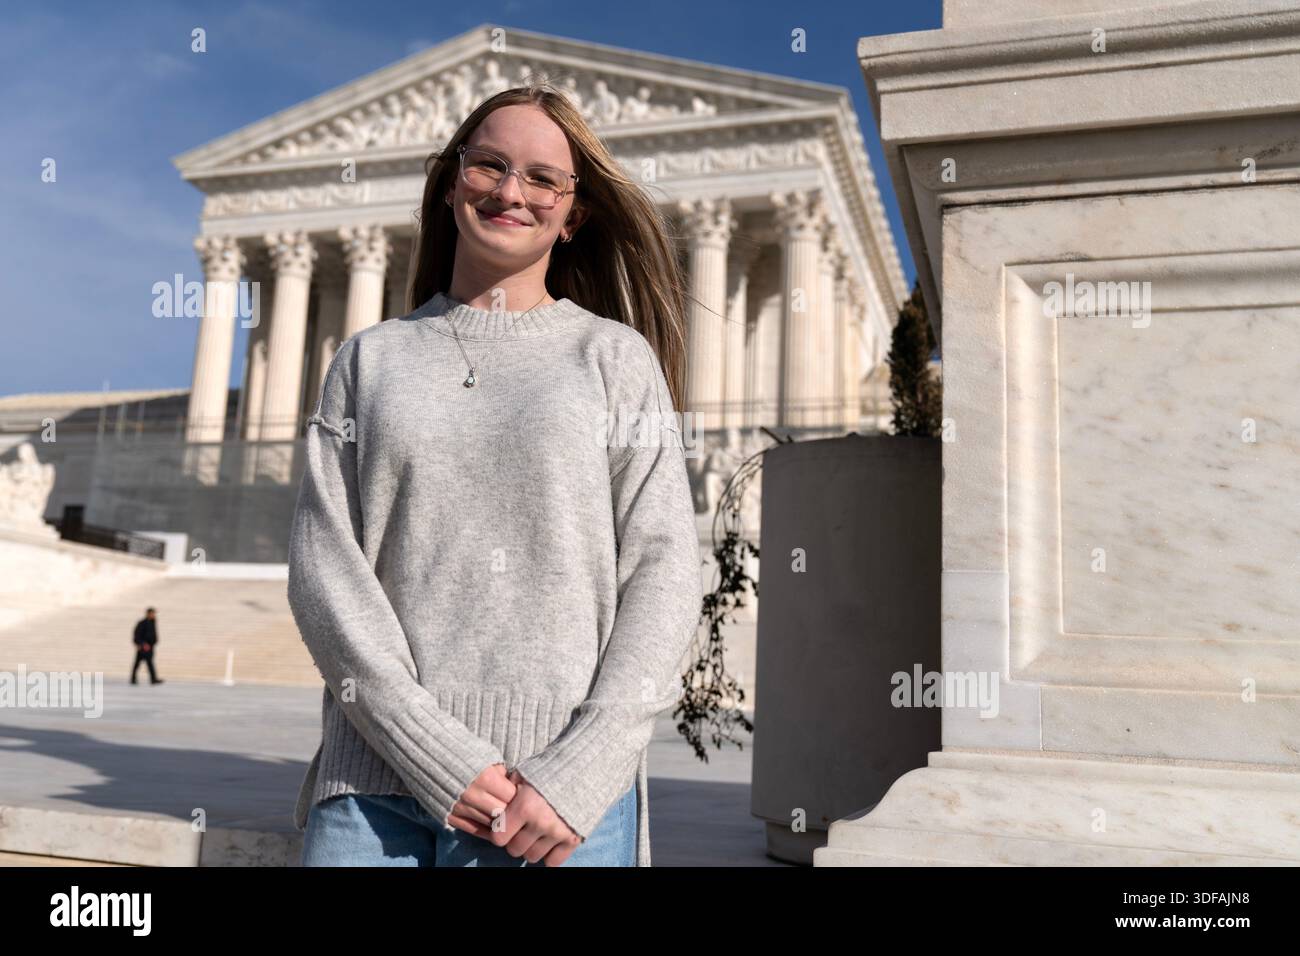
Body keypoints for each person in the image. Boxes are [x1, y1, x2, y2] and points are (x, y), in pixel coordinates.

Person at [288, 83, 703, 868]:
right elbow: (324, 572)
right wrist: (437, 754)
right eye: (489, 166)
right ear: (453, 185)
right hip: (374, 791)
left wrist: (581, 771)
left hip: (558, 805)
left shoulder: (613, 358)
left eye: (543, 177)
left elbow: (665, 569)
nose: (511, 191)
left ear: (573, 213)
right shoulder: (369, 361)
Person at [130, 607, 164, 685]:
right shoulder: (142, 623)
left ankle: (153, 679)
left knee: (150, 663)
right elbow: (137, 635)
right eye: (152, 613)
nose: (154, 615)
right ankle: (133, 679)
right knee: (137, 663)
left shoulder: (153, 622)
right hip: (143, 647)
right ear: (148, 614)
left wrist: (154, 642)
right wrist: (141, 644)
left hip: (150, 647)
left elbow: (153, 635)